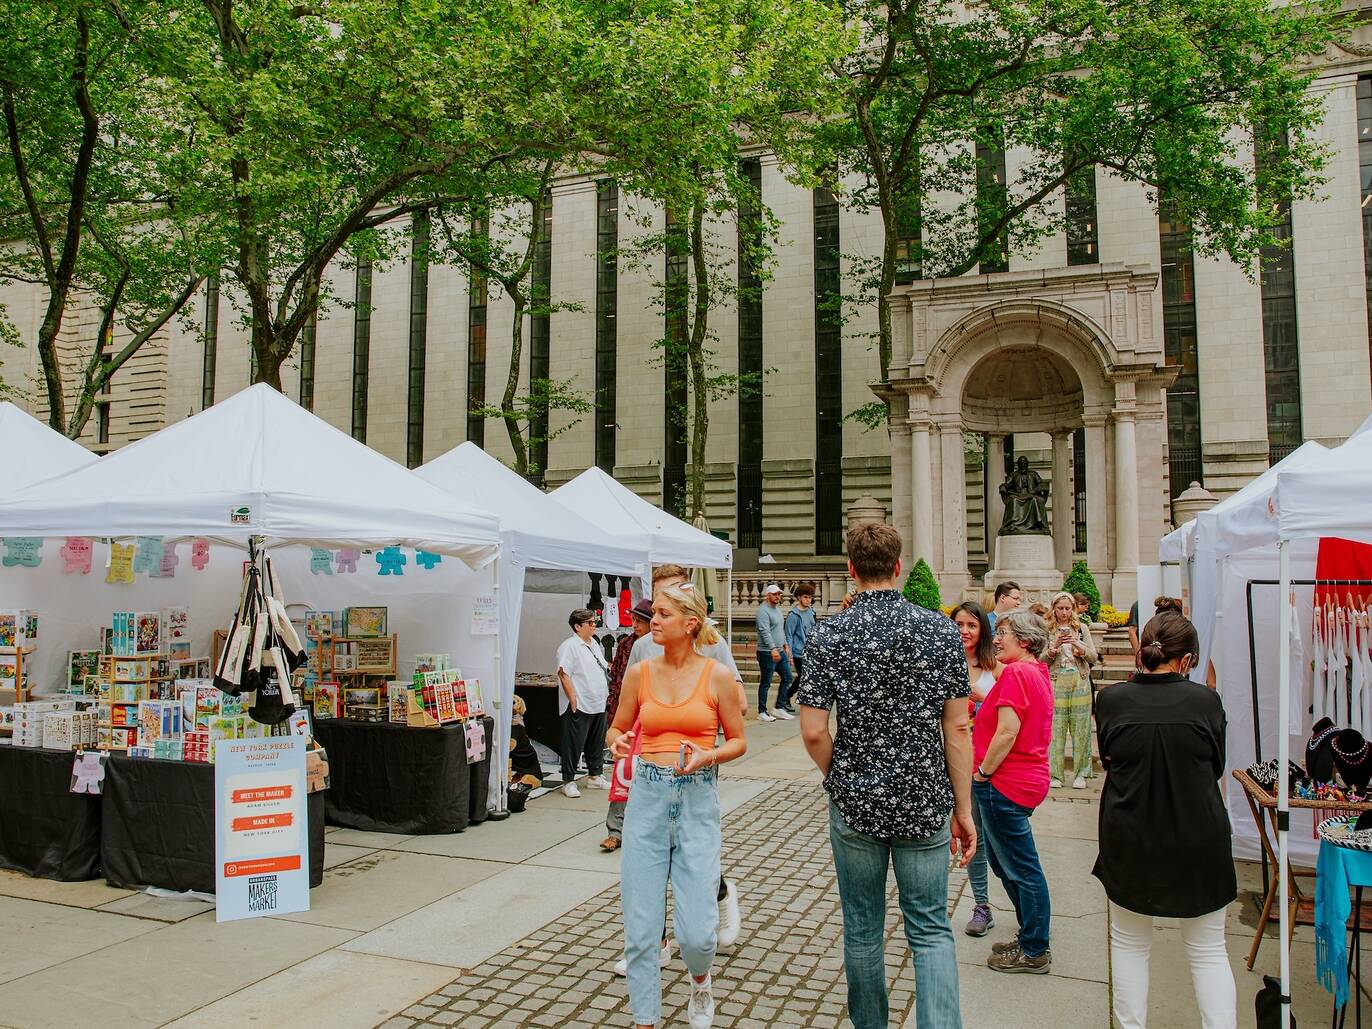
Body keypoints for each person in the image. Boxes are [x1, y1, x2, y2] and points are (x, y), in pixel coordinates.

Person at [798, 523, 975, 1029]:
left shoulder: (830, 632)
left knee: (862, 928)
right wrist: (962, 808)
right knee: (930, 927)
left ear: (850, 570)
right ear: (898, 567)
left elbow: (813, 731)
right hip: (924, 796)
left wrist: (844, 777)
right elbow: (957, 725)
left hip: (857, 800)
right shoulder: (939, 629)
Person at [609, 584, 747, 1029]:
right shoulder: (640, 673)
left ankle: (701, 982)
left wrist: (710, 755)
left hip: (696, 800)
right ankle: (645, 1020)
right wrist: (619, 741)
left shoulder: (717, 676)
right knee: (642, 928)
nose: (653, 620)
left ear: (689, 624)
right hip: (646, 798)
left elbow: (739, 740)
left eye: (663, 614)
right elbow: (616, 728)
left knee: (696, 934)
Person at [1094, 610, 1236, 1028]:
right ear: (1187, 660)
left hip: (1131, 831)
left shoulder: (1113, 699)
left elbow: (1109, 759)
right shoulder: (1205, 701)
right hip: (1197, 834)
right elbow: (1216, 765)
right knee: (1208, 949)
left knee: (1130, 944)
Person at [974, 609, 1055, 973]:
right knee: (1005, 862)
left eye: (1003, 632)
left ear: (1023, 640)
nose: (996, 637)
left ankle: (1035, 948)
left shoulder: (1019, 673)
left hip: (1005, 782)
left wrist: (982, 772)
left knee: (1021, 868)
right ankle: (1029, 934)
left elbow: (1007, 732)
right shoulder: (1032, 670)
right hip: (1019, 780)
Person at [952, 601, 1003, 938]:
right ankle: (981, 904)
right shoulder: (946, 665)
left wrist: (976, 697)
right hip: (956, 760)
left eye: (971, 625)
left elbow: (1008, 713)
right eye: (958, 624)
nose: (965, 631)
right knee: (972, 836)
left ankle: (1010, 897)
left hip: (988, 763)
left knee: (994, 838)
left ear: (983, 629)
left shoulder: (997, 668)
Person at [602, 598, 655, 852]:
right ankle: (615, 830)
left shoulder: (660, 645)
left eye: (640, 621)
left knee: (645, 773)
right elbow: (619, 679)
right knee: (623, 769)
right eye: (633, 620)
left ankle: (641, 829)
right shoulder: (627, 644)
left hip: (652, 716)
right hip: (629, 713)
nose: (635, 625)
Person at [1044, 590, 1099, 789]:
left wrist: (1079, 645)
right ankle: (1056, 775)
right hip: (1056, 680)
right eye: (1060, 608)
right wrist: (1053, 648)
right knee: (1056, 728)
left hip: (1080, 679)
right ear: (1054, 609)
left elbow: (1094, 656)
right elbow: (1040, 659)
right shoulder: (1047, 629)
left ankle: (1081, 773)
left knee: (1081, 728)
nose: (1064, 612)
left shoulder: (1082, 628)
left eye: (1068, 608)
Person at [556, 608, 610, 798]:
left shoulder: (594, 643)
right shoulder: (569, 646)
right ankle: (568, 780)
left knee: (596, 741)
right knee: (573, 743)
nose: (594, 625)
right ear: (578, 626)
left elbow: (602, 665)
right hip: (581, 702)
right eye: (590, 623)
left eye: (594, 622)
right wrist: (572, 699)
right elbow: (563, 672)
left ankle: (595, 775)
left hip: (597, 701)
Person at [755, 583, 792, 721]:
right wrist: (772, 648)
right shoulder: (763, 611)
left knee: (788, 676)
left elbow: (779, 629)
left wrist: (785, 644)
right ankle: (762, 711)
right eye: (775, 594)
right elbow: (764, 631)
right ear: (768, 595)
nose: (778, 596)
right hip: (766, 652)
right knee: (766, 681)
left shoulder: (777, 609)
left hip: (780, 650)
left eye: (779, 594)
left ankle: (779, 708)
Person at [783, 582, 817, 696]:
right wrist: (790, 655)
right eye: (806, 597)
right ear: (799, 597)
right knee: (803, 676)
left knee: (808, 677)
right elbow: (788, 635)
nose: (808, 600)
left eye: (810, 597)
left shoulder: (811, 612)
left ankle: (788, 697)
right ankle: (786, 697)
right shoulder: (793, 615)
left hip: (810, 650)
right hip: (798, 653)